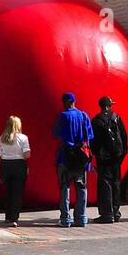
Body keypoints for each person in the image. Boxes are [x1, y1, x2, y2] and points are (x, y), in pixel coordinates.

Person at [53, 92, 93, 228]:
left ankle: (65, 219)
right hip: (81, 158)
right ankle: (81, 218)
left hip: (65, 157)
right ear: (74, 101)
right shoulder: (83, 115)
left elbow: (57, 133)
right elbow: (90, 136)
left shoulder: (63, 116)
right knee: (81, 188)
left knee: (65, 188)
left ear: (65, 102)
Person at [91, 96, 128, 223]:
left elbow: (94, 141)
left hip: (103, 158)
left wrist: (95, 155)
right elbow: (124, 137)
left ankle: (107, 214)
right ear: (109, 105)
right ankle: (116, 212)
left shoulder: (97, 120)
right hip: (116, 157)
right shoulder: (117, 118)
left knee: (104, 184)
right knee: (116, 183)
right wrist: (122, 154)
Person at [0, 115, 31, 227]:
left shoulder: (2, 138)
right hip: (18, 165)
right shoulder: (23, 138)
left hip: (5, 164)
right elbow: (27, 155)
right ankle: (14, 217)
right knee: (17, 192)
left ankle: (7, 215)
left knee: (8, 191)